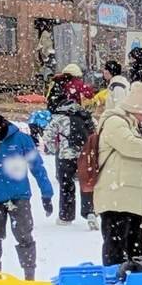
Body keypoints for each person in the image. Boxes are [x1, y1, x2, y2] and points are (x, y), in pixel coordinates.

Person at [0, 110, 54, 280]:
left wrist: (46, 194)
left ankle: (29, 275)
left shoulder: (21, 140)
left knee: (24, 235)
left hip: (18, 197)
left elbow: (38, 167)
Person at [95, 83, 142, 266]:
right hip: (117, 196)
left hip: (131, 198)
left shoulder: (132, 126)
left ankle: (133, 275)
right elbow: (129, 145)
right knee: (116, 244)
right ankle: (115, 277)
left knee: (135, 246)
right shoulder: (115, 122)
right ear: (135, 109)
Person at [43, 90, 98, 228]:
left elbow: (47, 136)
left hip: (66, 156)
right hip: (85, 156)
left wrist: (54, 149)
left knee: (66, 185)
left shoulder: (60, 118)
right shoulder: (86, 117)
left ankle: (66, 216)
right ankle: (90, 212)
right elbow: (97, 133)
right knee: (87, 185)